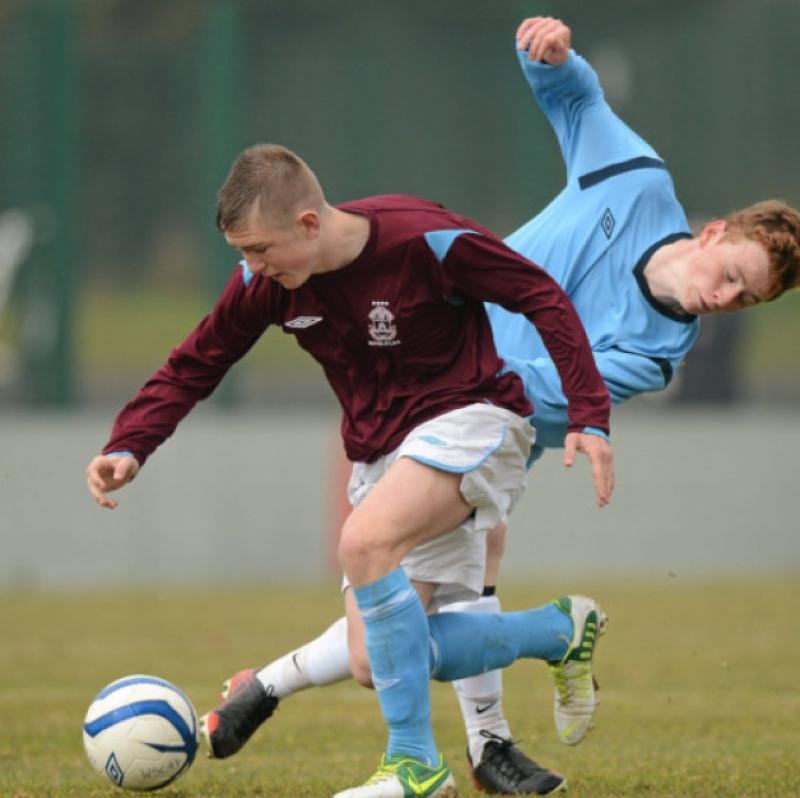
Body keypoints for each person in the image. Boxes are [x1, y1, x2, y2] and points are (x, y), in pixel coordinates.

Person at [195, 15, 800, 797]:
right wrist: (552, 58)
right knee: (411, 622)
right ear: (713, 232)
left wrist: (431, 372)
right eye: (731, 274)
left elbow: (541, 391)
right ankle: (508, 702)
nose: (724, 297)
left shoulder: (660, 352)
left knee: (394, 627)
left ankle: (407, 731)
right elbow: (580, 105)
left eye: (745, 299)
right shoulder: (639, 183)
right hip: (427, 400)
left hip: (478, 424)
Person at [85, 128, 616, 796]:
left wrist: (588, 411)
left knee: (363, 544)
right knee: (376, 660)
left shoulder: (424, 240)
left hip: (475, 418)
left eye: (259, 249)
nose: (252, 266)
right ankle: (558, 630)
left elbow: (541, 295)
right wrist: (129, 442)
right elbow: (199, 360)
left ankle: (414, 766)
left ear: (308, 223)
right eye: (243, 253)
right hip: (383, 452)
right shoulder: (266, 283)